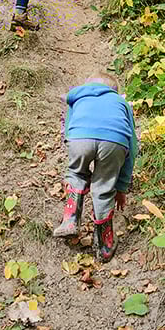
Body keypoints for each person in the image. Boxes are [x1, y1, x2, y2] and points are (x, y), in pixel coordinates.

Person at [54, 71, 138, 262]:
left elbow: (67, 130)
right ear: (116, 92)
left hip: (80, 136)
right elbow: (132, 148)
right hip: (115, 140)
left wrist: (75, 154)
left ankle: (70, 219)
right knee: (104, 187)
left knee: (76, 173)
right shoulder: (121, 103)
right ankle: (104, 245)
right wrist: (121, 187)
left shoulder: (77, 97)